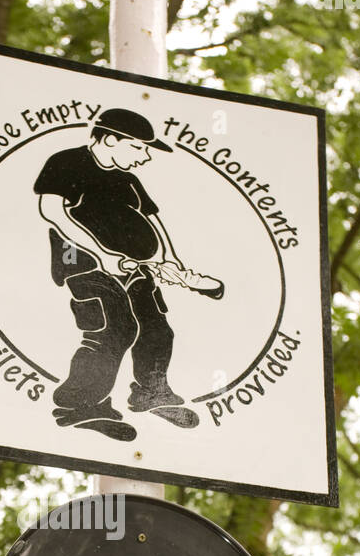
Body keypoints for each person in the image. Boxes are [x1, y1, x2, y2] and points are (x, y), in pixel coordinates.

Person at [34, 107, 223, 442]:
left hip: (133, 267)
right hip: (85, 264)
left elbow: (152, 221)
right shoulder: (67, 162)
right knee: (114, 329)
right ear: (109, 140)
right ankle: (78, 406)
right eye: (139, 147)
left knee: (157, 329)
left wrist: (172, 263)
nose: (145, 156)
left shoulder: (127, 180)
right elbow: (53, 212)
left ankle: (150, 393)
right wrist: (102, 255)